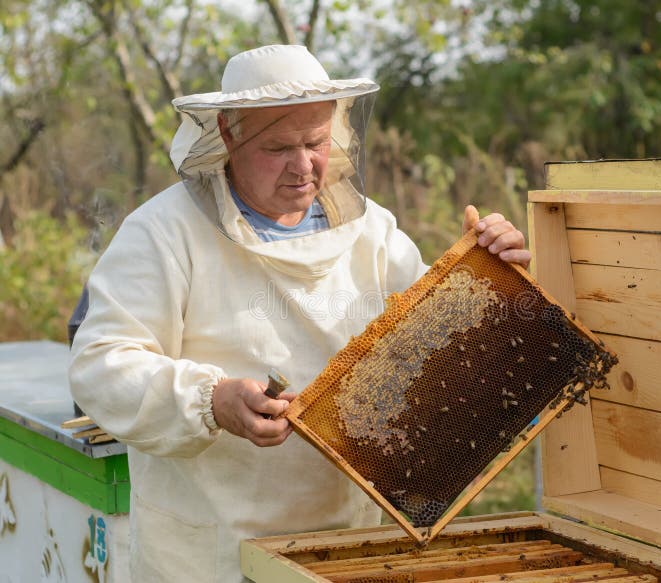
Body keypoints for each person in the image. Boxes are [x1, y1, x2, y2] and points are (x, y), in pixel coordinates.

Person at [69, 44, 531, 582]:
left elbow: (441, 346)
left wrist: (486, 270)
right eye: (278, 147)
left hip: (351, 544)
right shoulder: (164, 233)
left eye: (314, 142)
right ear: (227, 133)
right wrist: (210, 401)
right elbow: (101, 365)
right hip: (215, 551)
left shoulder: (372, 231)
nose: (303, 165)